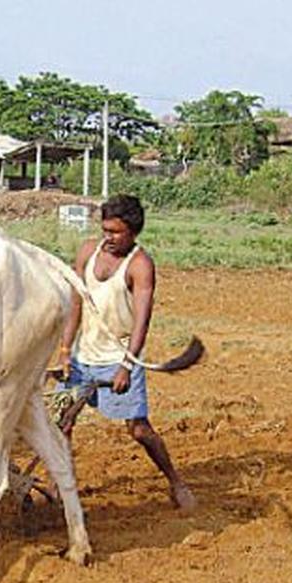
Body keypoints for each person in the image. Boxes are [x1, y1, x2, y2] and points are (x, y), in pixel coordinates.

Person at [57, 194, 196, 509]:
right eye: (105, 230)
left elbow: (141, 322)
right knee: (62, 423)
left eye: (116, 232)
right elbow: (76, 302)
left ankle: (175, 481)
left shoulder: (140, 265)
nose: (109, 238)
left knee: (138, 430)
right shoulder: (88, 252)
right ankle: (62, 487)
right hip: (82, 356)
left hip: (117, 358)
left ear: (133, 231)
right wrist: (65, 349)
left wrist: (126, 366)